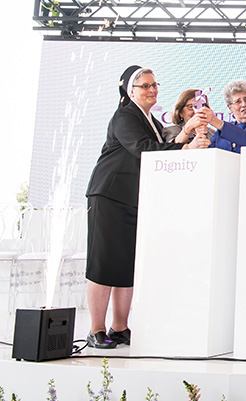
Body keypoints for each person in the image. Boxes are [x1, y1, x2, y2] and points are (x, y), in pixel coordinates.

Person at [85, 65, 209, 349]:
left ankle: (119, 327)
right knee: (103, 263)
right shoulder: (125, 115)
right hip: (108, 195)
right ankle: (95, 330)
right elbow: (144, 150)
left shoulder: (149, 118)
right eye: (145, 86)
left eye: (155, 85)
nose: (153, 90)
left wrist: (185, 139)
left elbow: (158, 151)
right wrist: (185, 145)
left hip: (132, 197)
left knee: (126, 265)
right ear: (130, 91)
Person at [197, 80, 246, 152]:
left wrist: (217, 122)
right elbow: (210, 155)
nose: (244, 104)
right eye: (238, 101)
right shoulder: (220, 132)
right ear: (230, 108)